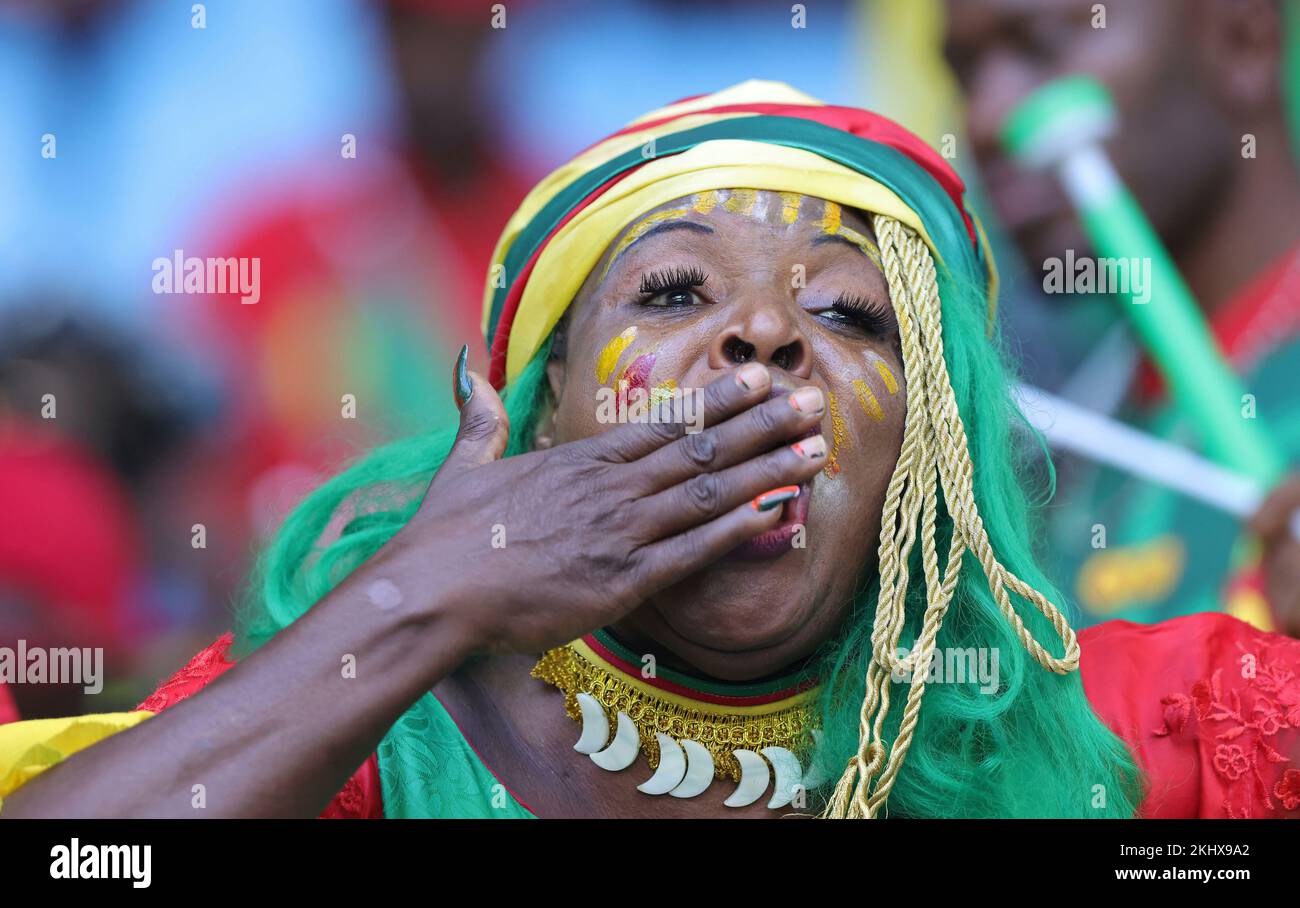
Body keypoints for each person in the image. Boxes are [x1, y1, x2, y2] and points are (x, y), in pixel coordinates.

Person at [2, 82, 1299, 819]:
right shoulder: (376, 747)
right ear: (545, 406)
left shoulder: (1131, 742)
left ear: (934, 447)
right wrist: (424, 599)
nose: (760, 341)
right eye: (675, 294)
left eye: (848, 314)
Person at [943, 0, 1300, 631]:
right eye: (965, 73)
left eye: (1044, 42)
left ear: (1245, 38)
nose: (986, 118)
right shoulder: (1048, 470)